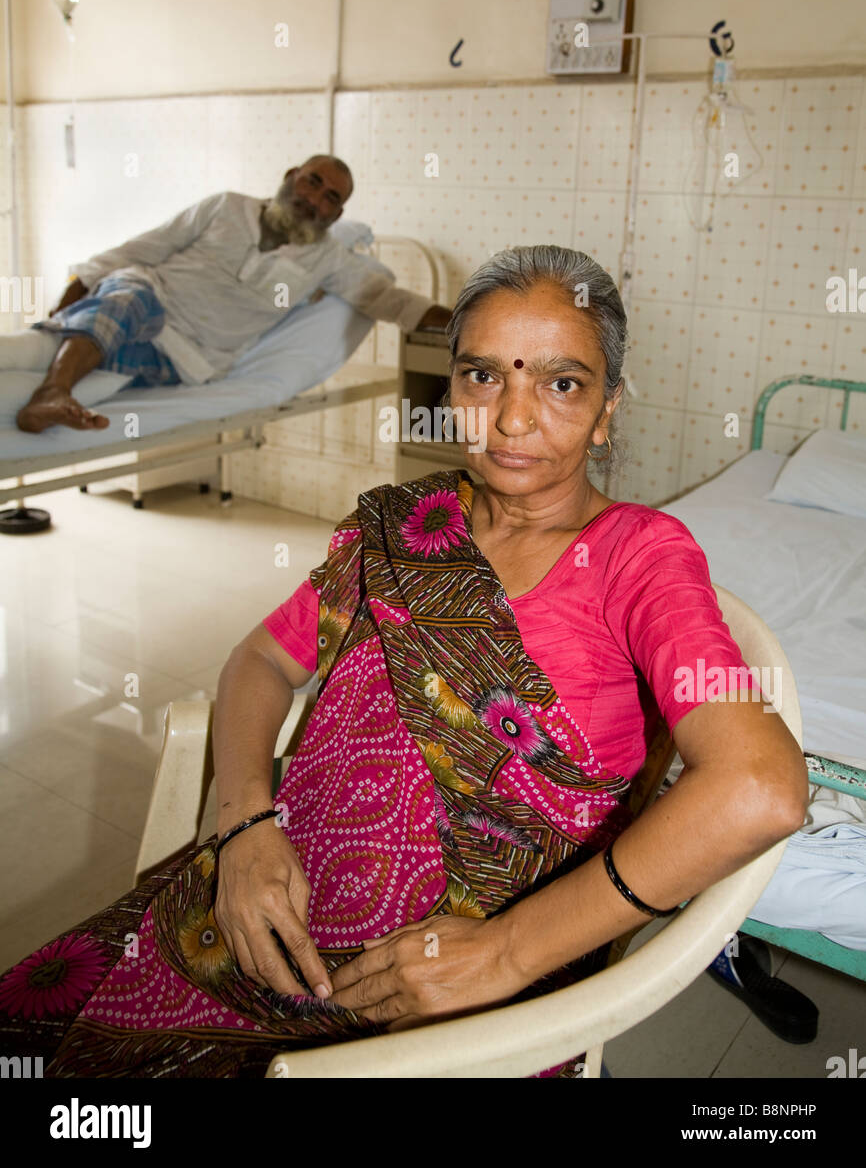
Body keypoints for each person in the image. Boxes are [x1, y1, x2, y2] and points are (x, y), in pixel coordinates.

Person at [0, 245, 808, 1078]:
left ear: (607, 411)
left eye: (562, 384)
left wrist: (502, 956)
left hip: (456, 990)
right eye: (482, 378)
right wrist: (245, 824)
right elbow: (260, 662)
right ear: (448, 392)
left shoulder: (639, 558)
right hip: (261, 899)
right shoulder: (410, 526)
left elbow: (759, 787)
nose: (513, 419)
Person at [12, 154, 451, 434]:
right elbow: (144, 248)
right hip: (145, 295)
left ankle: (46, 392)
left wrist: (465, 319)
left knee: (105, 364)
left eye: (329, 197)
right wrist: (77, 287)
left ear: (336, 214)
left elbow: (391, 300)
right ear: (290, 176)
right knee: (122, 303)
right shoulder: (226, 207)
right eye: (312, 181)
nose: (314, 198)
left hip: (186, 356)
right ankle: (52, 391)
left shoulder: (330, 261)